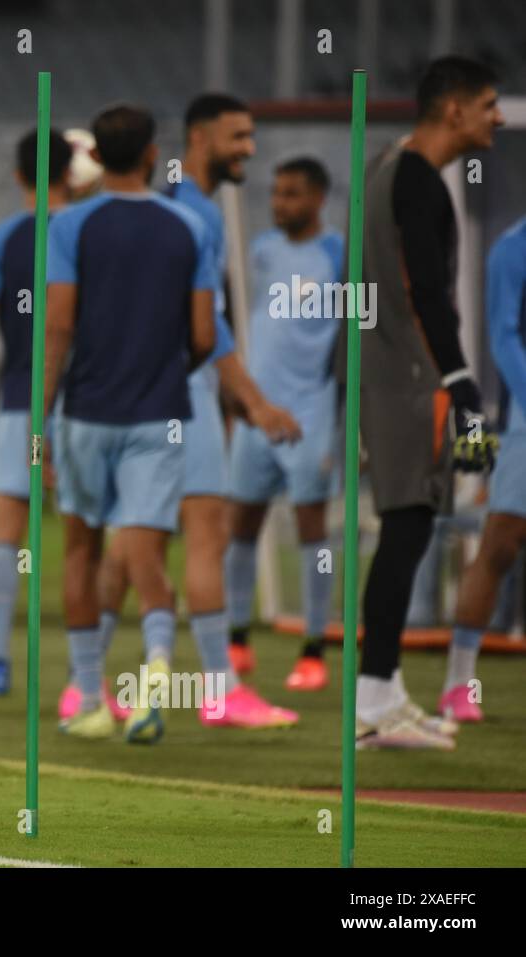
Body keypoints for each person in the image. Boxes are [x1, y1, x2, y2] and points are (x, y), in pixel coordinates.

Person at [85, 93, 302, 732]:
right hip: (187, 396)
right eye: (239, 137)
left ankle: (84, 684)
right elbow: (210, 330)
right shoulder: (195, 214)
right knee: (205, 535)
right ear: (199, 140)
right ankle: (220, 692)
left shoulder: (163, 206)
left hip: (137, 397)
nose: (249, 149)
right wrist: (254, 401)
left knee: (131, 544)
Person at [341, 56, 503, 750]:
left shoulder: (386, 166)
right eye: (488, 104)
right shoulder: (417, 179)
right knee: (406, 528)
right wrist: (462, 384)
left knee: (406, 529)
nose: (498, 116)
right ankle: (373, 703)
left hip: (387, 372)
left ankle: (384, 690)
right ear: (454, 110)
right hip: (411, 377)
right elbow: (424, 292)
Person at [44, 103, 216, 743]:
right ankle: (156, 673)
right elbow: (205, 335)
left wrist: (42, 414)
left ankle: (91, 698)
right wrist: (165, 366)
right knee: (145, 553)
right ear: (151, 154)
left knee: (81, 549)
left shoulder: (70, 225)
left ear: (95, 156)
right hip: (160, 413)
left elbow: (58, 324)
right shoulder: (187, 226)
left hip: (87, 410)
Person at [225, 157, 343, 692]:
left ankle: (314, 647)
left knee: (311, 527)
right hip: (257, 409)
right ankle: (236, 639)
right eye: (276, 193)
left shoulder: (338, 255)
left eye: (292, 193)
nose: (279, 203)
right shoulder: (261, 252)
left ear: (318, 198)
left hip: (310, 410)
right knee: (241, 523)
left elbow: (354, 331)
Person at [0, 129, 73, 696]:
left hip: (17, 402)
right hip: (88, 406)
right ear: (71, 171)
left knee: (7, 530)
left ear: (17, 175)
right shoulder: (87, 231)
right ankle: (84, 671)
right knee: (86, 535)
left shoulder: (1, 241)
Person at [439, 216, 526, 723]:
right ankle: (458, 683)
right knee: (500, 544)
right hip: (524, 422)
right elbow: (503, 336)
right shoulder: (512, 248)